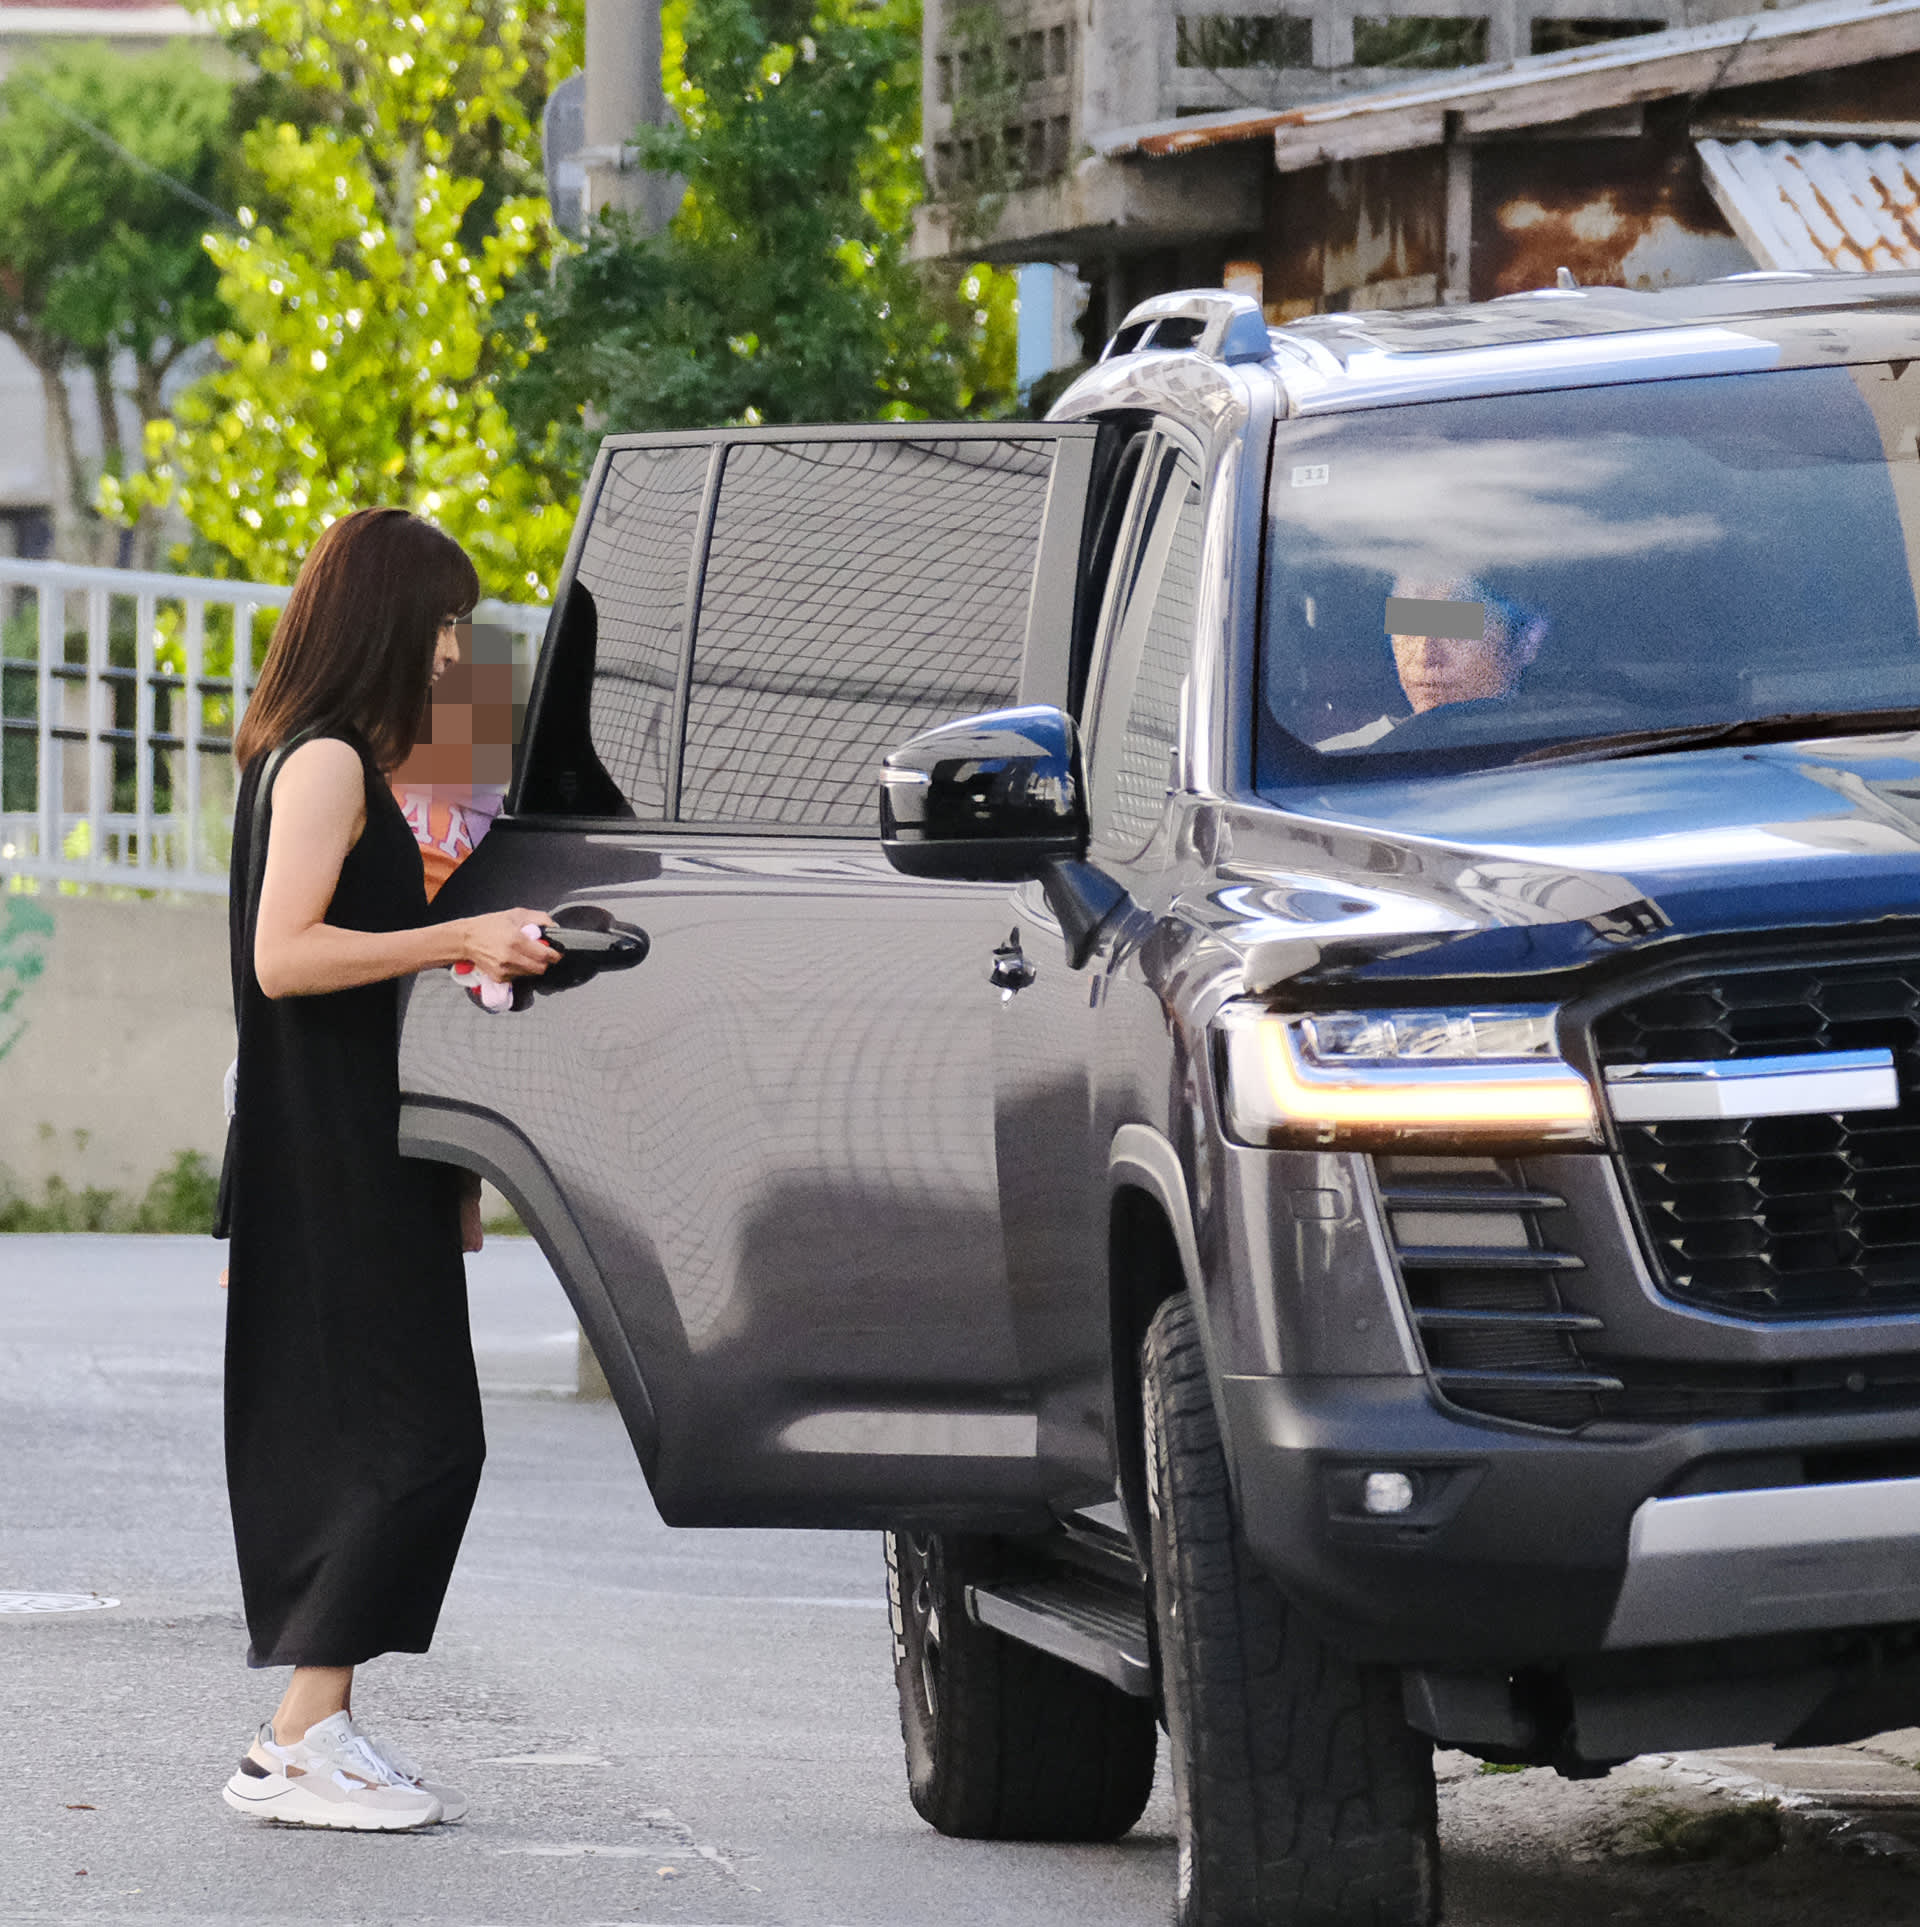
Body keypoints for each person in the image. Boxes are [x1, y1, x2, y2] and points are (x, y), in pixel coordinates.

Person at [218, 507, 556, 1832]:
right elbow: (284, 956)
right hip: (327, 1147)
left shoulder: (356, 761)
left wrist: (457, 1170)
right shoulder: (318, 765)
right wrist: (456, 929)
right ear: (388, 623)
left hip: (375, 1145)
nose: (457, 648)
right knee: (417, 1440)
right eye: (446, 623)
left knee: (388, 1436)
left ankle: (315, 1721)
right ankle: (299, 1734)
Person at [1317, 574, 1549, 751]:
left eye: (1456, 627)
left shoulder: (1566, 760)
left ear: (1527, 640)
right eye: (1408, 625)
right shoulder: (1335, 765)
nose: (1425, 656)